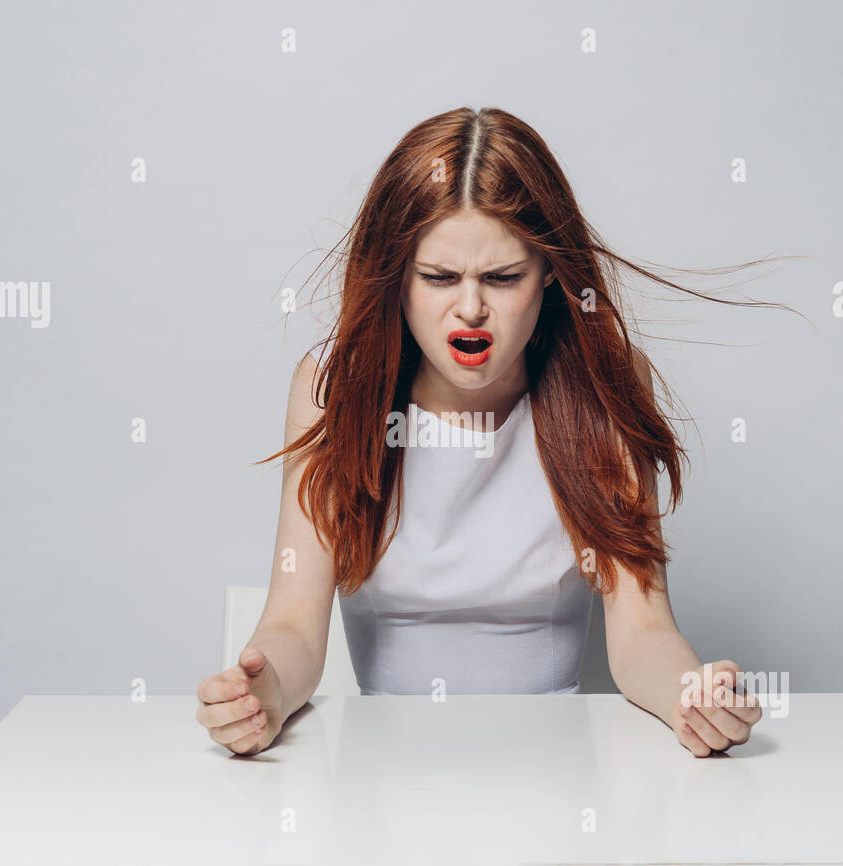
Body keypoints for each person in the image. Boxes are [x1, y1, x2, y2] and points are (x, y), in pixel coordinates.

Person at [197, 106, 774, 757]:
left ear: (551, 272)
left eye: (502, 278)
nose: (470, 307)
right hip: (380, 773)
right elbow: (293, 625)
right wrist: (263, 694)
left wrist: (690, 697)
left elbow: (643, 629)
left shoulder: (603, 381)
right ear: (396, 275)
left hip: (555, 773)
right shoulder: (334, 387)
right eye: (439, 277)